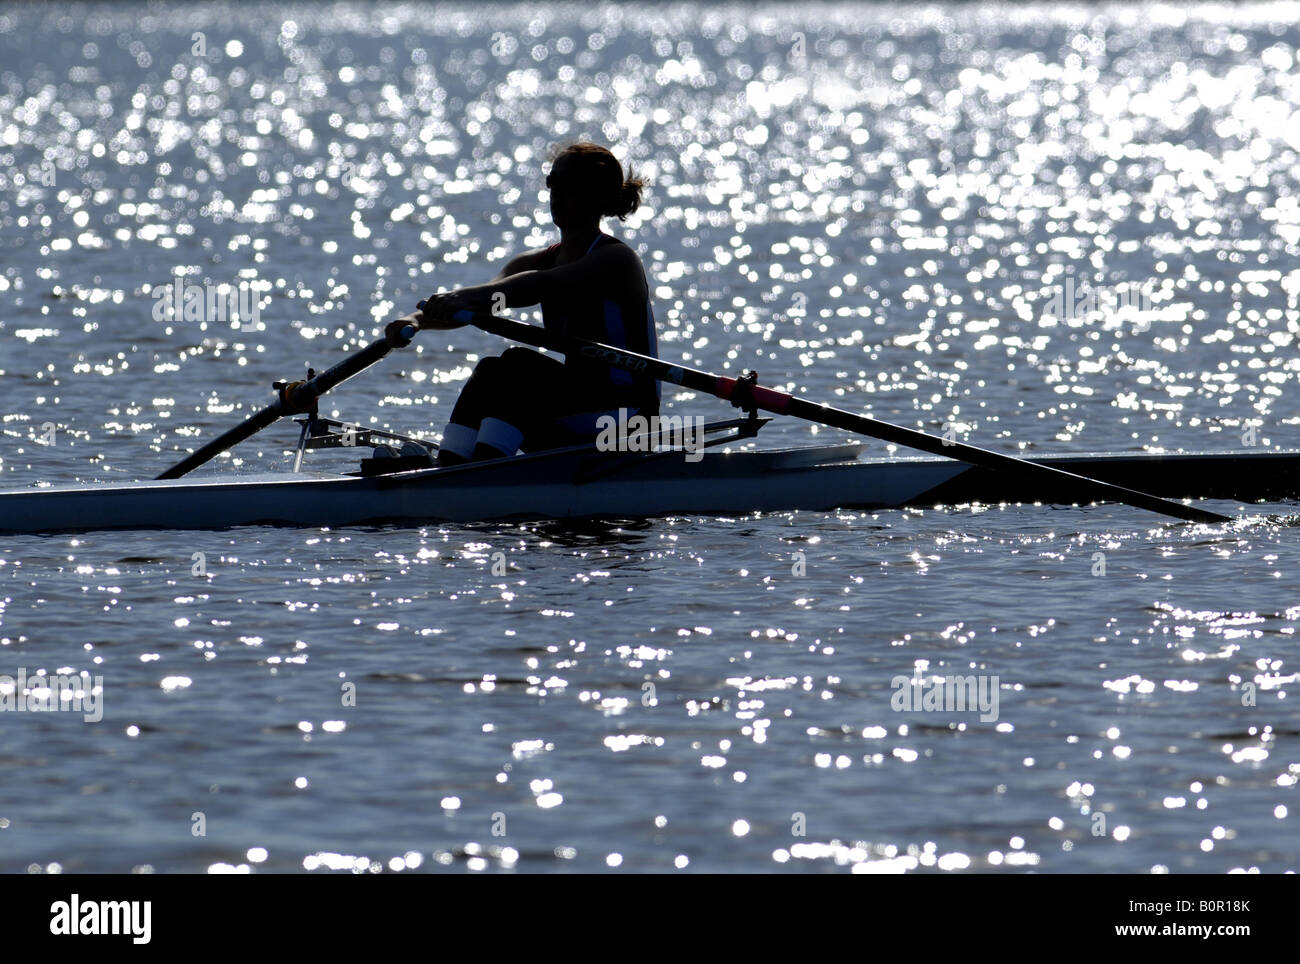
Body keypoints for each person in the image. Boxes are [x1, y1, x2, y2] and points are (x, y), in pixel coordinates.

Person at [386, 142, 659, 465]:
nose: (556, 193)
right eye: (552, 182)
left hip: (629, 420)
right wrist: (415, 320)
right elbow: (489, 299)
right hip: (581, 408)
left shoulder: (617, 260)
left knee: (518, 366)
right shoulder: (539, 260)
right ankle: (451, 467)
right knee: (491, 371)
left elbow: (537, 286)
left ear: (599, 196)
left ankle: (480, 475)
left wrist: (462, 298)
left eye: (569, 184)